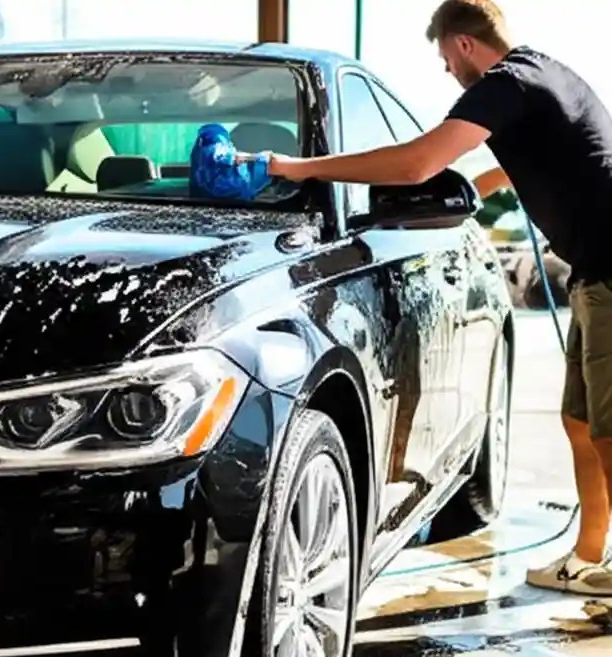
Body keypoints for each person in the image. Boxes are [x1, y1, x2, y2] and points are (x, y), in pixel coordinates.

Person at [254, 0, 612, 595]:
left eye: (446, 57)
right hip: (595, 273)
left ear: (465, 44)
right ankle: (590, 557)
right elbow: (529, 165)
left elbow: (418, 163)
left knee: (608, 431)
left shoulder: (506, 83)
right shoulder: (545, 73)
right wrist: (476, 186)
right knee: (580, 423)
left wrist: (298, 168)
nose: (447, 70)